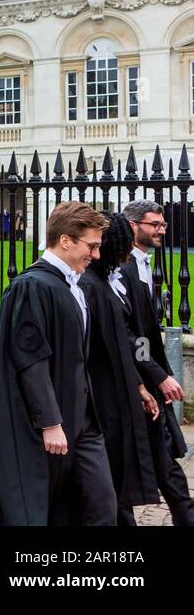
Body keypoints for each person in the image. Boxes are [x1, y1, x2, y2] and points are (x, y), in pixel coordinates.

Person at [0, 201, 116, 525]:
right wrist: (51, 423)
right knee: (19, 505)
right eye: (91, 246)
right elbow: (30, 358)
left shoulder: (75, 287)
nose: (95, 255)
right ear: (66, 240)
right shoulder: (31, 286)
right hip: (43, 422)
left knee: (102, 502)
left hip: (82, 420)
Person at [80, 212, 159, 523]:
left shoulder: (103, 282)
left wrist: (138, 385)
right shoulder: (90, 285)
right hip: (98, 399)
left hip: (115, 394)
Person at [121, 200, 194, 524]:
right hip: (128, 379)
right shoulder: (122, 268)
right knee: (122, 458)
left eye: (163, 224)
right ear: (134, 225)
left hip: (146, 376)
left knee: (163, 452)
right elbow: (125, 332)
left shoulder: (143, 263)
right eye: (155, 224)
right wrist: (155, 375)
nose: (162, 229)